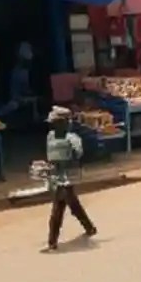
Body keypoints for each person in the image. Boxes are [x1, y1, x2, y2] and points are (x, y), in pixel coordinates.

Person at [42, 107, 96, 252]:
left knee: (58, 208)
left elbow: (77, 156)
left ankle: (52, 241)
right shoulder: (50, 136)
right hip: (56, 175)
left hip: (67, 175)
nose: (53, 126)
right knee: (72, 204)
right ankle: (89, 227)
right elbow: (50, 155)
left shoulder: (73, 139)